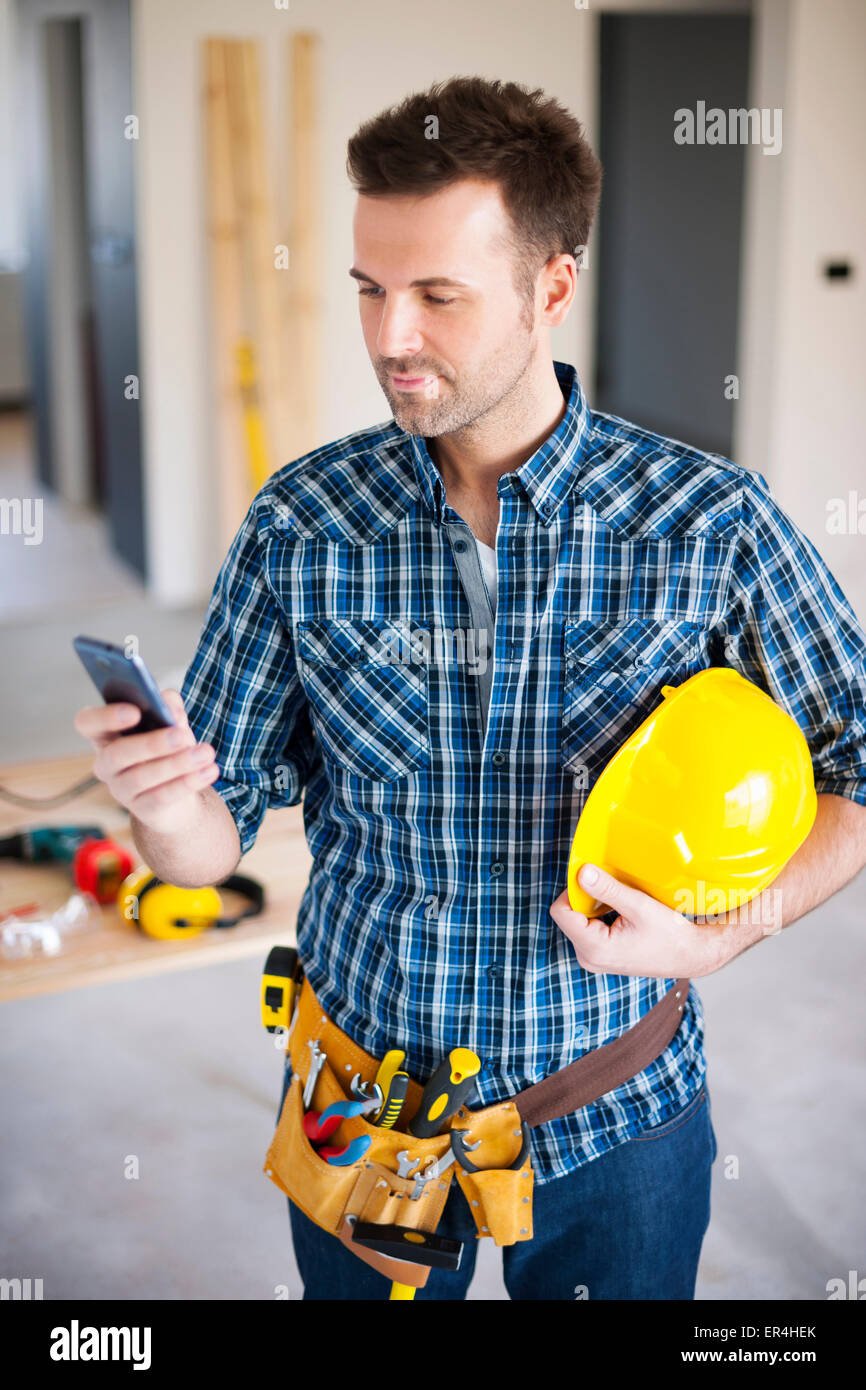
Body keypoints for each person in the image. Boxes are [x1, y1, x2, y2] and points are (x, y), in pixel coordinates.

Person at [75, 76, 866, 1300]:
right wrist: (164, 803)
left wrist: (725, 931)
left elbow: (854, 764)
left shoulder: (711, 525)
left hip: (615, 1112)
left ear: (551, 286)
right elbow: (198, 850)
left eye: (438, 295)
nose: (391, 337)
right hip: (361, 1119)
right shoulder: (302, 523)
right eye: (369, 289)